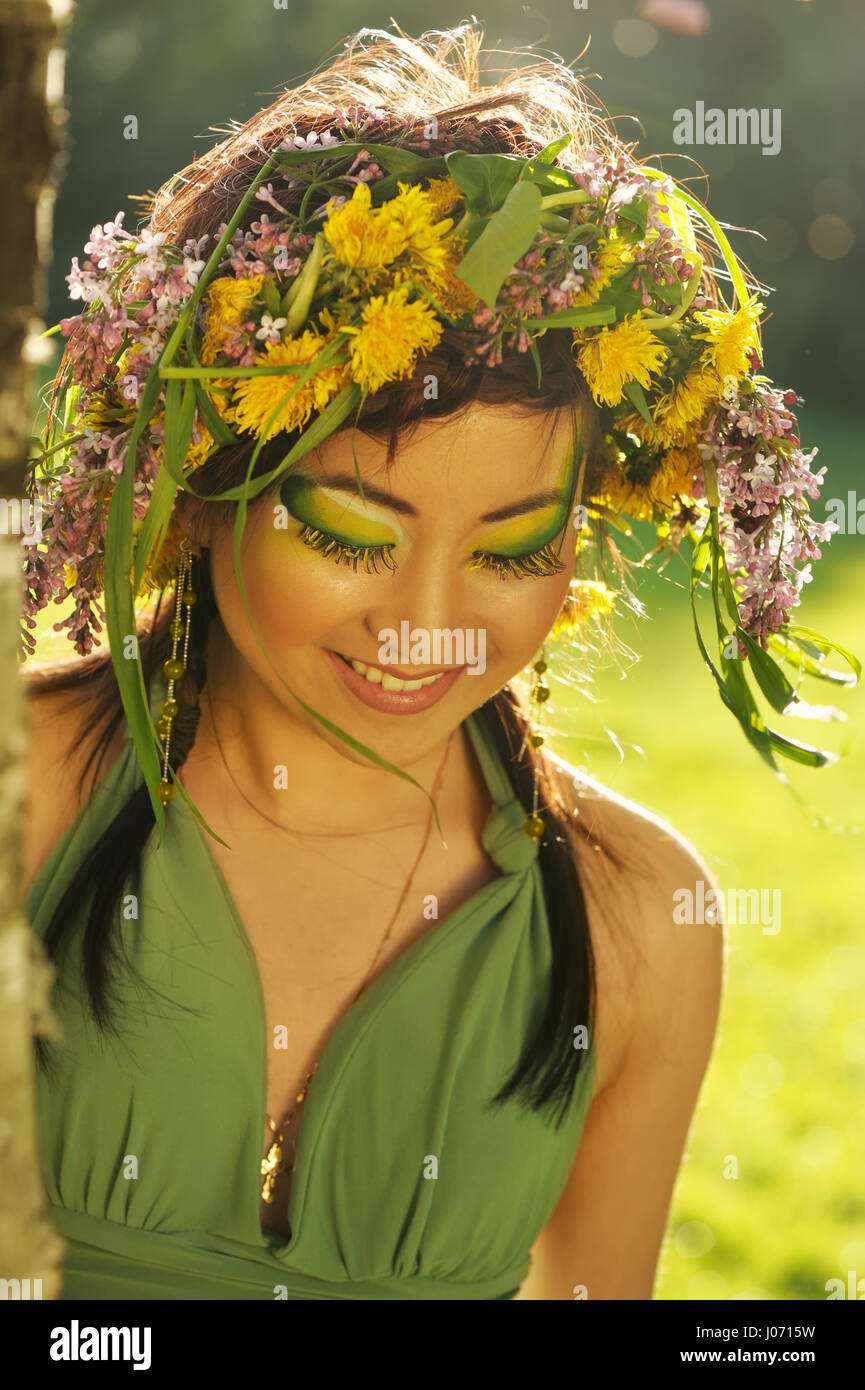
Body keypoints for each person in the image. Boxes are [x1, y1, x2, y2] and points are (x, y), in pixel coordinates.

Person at [19, 21, 843, 1300]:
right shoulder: (30, 804)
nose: (426, 620)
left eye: (513, 550)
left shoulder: (636, 923)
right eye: (349, 530)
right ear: (197, 486)